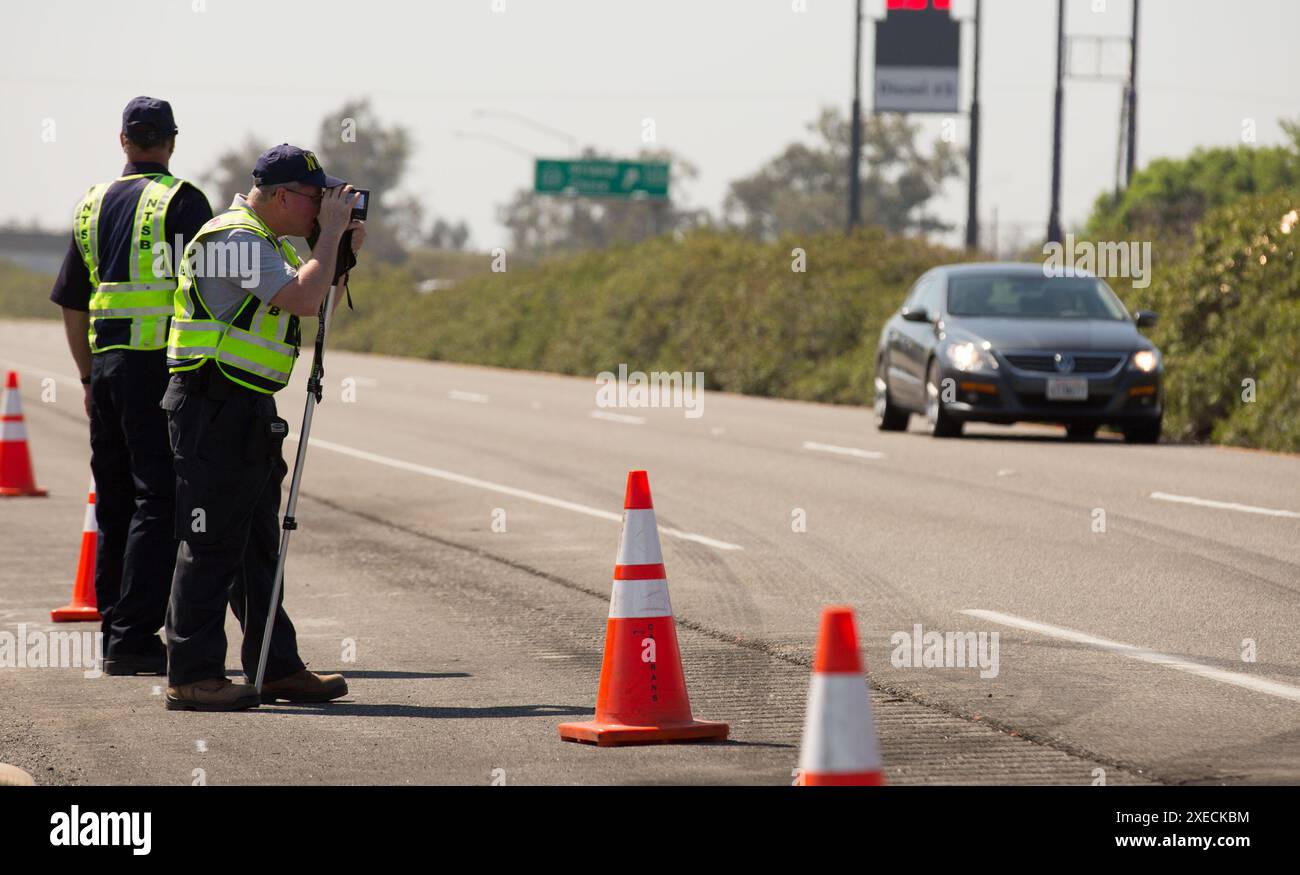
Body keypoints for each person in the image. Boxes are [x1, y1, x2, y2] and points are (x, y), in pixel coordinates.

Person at [161, 144, 364, 711]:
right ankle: (191, 674)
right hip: (211, 405)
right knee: (209, 542)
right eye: (314, 198)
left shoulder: (265, 241)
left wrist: (339, 254)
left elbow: (318, 296)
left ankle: (275, 667)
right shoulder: (233, 239)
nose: (320, 208)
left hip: (244, 407)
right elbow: (301, 297)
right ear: (281, 195)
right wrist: (327, 239)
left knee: (256, 547)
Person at [49, 96, 213, 676]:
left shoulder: (90, 205)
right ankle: (136, 638)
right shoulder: (184, 201)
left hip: (107, 370)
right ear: (171, 140)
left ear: (123, 140)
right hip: (159, 371)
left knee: (115, 494)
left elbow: (72, 303)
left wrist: (88, 375)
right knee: (159, 497)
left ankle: (115, 629)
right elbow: (213, 289)